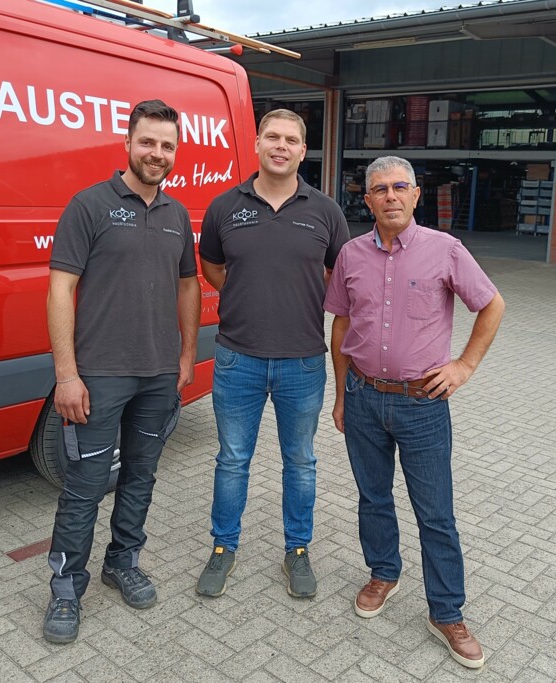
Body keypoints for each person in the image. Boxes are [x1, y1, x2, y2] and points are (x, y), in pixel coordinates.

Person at [323, 156, 504, 669]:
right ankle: (384, 572)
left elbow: (492, 305)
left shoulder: (445, 251)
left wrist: (465, 365)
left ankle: (446, 612)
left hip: (423, 404)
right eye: (380, 189)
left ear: (417, 194)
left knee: (436, 513)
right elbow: (339, 327)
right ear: (367, 199)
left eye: (400, 187)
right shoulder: (352, 255)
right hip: (362, 397)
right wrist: (340, 396)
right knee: (372, 498)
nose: (391, 196)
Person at [42, 99, 200, 644]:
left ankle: (123, 561)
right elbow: (60, 288)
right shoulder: (88, 206)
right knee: (85, 485)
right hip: (100, 373)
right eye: (148, 142)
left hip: (159, 374)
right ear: (127, 144)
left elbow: (188, 285)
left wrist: (185, 357)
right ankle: (65, 588)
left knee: (140, 476)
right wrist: (67, 374)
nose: (157, 154)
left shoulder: (177, 215)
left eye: (167, 146)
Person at [195, 109, 349, 599]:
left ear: (304, 150)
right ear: (257, 144)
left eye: (291, 139)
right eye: (272, 137)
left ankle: (298, 550)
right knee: (232, 459)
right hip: (237, 358)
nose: (281, 146)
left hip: (303, 361)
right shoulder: (225, 206)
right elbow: (214, 267)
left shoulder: (325, 211)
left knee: (300, 462)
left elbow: (339, 277)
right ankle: (223, 548)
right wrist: (248, 295)